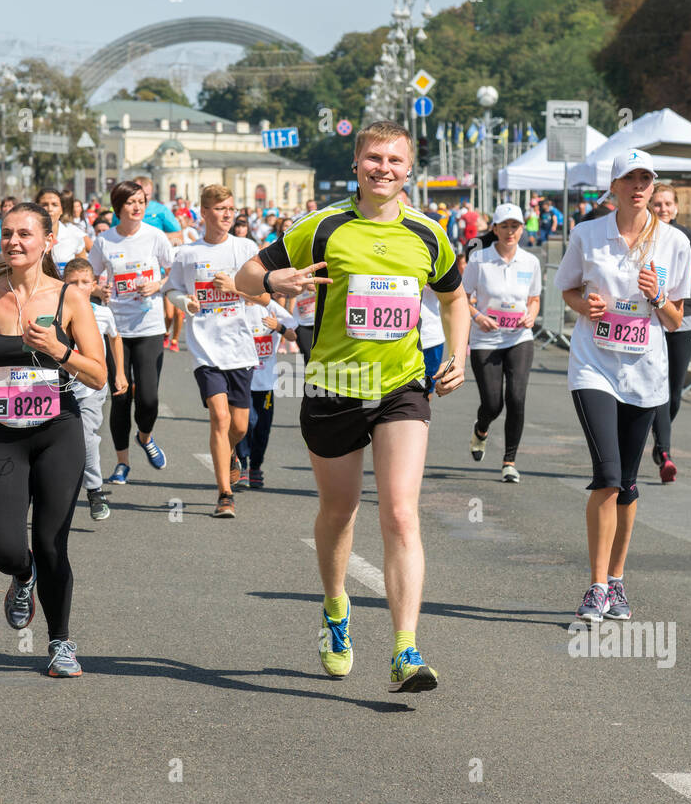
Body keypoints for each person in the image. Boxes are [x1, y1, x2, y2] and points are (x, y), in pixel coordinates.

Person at [231, 120, 469, 693]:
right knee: (340, 514)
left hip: (402, 386)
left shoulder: (429, 235)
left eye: (395, 160)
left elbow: (455, 296)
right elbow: (245, 276)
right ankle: (336, 610)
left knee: (401, 513)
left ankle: (405, 650)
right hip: (334, 384)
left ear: (410, 169)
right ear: (356, 164)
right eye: (373, 158)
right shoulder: (322, 227)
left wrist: (457, 353)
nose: (383, 168)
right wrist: (272, 278)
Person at [0, 202, 107, 678]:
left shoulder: (71, 299)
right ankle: (22, 577)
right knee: (3, 546)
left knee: (51, 542)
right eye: (8, 234)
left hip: (59, 429)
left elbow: (100, 375)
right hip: (2, 431)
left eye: (25, 234)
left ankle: (61, 642)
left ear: (46, 241)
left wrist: (60, 350)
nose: (15, 242)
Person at [555, 148, 690, 624]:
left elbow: (675, 320)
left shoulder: (673, 242)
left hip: (646, 373)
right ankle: (595, 587)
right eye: (629, 178)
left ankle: (617, 579)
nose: (638, 186)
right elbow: (568, 288)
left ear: (653, 187)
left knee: (629, 484)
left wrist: (656, 297)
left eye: (646, 179)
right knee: (608, 475)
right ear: (613, 186)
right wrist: (584, 307)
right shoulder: (588, 234)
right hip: (593, 367)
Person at [163, 184, 262, 517]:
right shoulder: (188, 254)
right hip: (205, 349)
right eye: (220, 209)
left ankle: (231, 453)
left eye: (231, 209)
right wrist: (185, 302)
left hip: (240, 348)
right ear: (204, 212)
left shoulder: (246, 248)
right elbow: (171, 290)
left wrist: (236, 287)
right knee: (219, 419)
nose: (227, 215)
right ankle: (224, 494)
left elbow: (264, 297)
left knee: (239, 427)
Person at [88, 180, 173, 483]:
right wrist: (99, 289)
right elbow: (87, 278)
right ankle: (122, 463)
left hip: (150, 327)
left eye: (141, 201)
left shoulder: (155, 237)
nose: (137, 207)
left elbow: (174, 272)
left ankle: (145, 437)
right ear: (118, 207)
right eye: (131, 202)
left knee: (148, 397)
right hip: (116, 331)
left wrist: (158, 284)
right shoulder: (104, 241)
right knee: (120, 395)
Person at [464, 203, 541, 483]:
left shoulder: (530, 261)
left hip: (519, 337)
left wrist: (531, 315)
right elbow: (463, 296)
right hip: (486, 338)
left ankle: (510, 461)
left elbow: (534, 298)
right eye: (505, 226)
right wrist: (478, 316)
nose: (510, 232)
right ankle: (481, 428)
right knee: (493, 403)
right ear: (494, 229)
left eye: (515, 226)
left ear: (522, 228)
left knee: (517, 398)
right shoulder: (479, 260)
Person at [648, 183, 691, 482]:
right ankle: (664, 453)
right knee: (656, 385)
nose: (663, 209)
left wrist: (687, 277)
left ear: (676, 207)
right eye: (657, 204)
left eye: (667, 204)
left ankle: (657, 437)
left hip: (683, 320)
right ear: (649, 207)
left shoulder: (687, 237)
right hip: (649, 323)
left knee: (673, 394)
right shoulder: (644, 236)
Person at [62, 257, 127, 520]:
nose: (79, 287)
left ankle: (95, 491)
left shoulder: (102, 312)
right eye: (72, 282)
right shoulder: (56, 311)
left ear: (94, 284)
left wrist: (119, 373)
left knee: (87, 435)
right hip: (58, 387)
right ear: (62, 284)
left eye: (84, 282)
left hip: (90, 388)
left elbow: (115, 338)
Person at [235, 282, 296, 490]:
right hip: (243, 379)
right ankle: (242, 463)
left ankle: (256, 467)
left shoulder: (271, 308)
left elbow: (292, 334)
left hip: (266, 383)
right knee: (247, 422)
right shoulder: (238, 307)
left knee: (262, 428)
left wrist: (278, 326)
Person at [36, 188, 92, 274]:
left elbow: (84, 272)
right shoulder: (26, 237)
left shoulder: (74, 235)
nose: (50, 209)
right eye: (44, 204)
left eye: (55, 205)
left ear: (61, 210)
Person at [0, 196, 15, 261]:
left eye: (10, 205)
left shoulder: (22, 224)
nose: (7, 208)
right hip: (0, 261)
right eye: (5, 206)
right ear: (1, 209)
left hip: (17, 260)